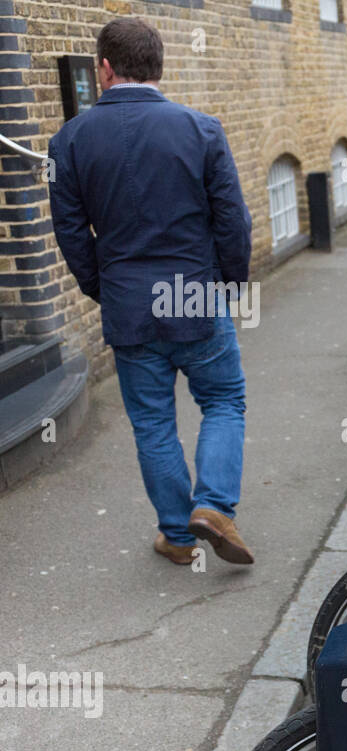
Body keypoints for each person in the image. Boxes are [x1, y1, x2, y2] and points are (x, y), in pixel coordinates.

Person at [48, 18, 255, 567]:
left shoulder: (67, 142)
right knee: (223, 401)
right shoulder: (201, 129)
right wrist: (230, 284)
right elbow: (231, 219)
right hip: (194, 295)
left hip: (130, 302)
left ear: (106, 69)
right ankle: (212, 506)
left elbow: (70, 234)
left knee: (153, 422)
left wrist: (104, 289)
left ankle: (178, 537)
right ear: (158, 69)